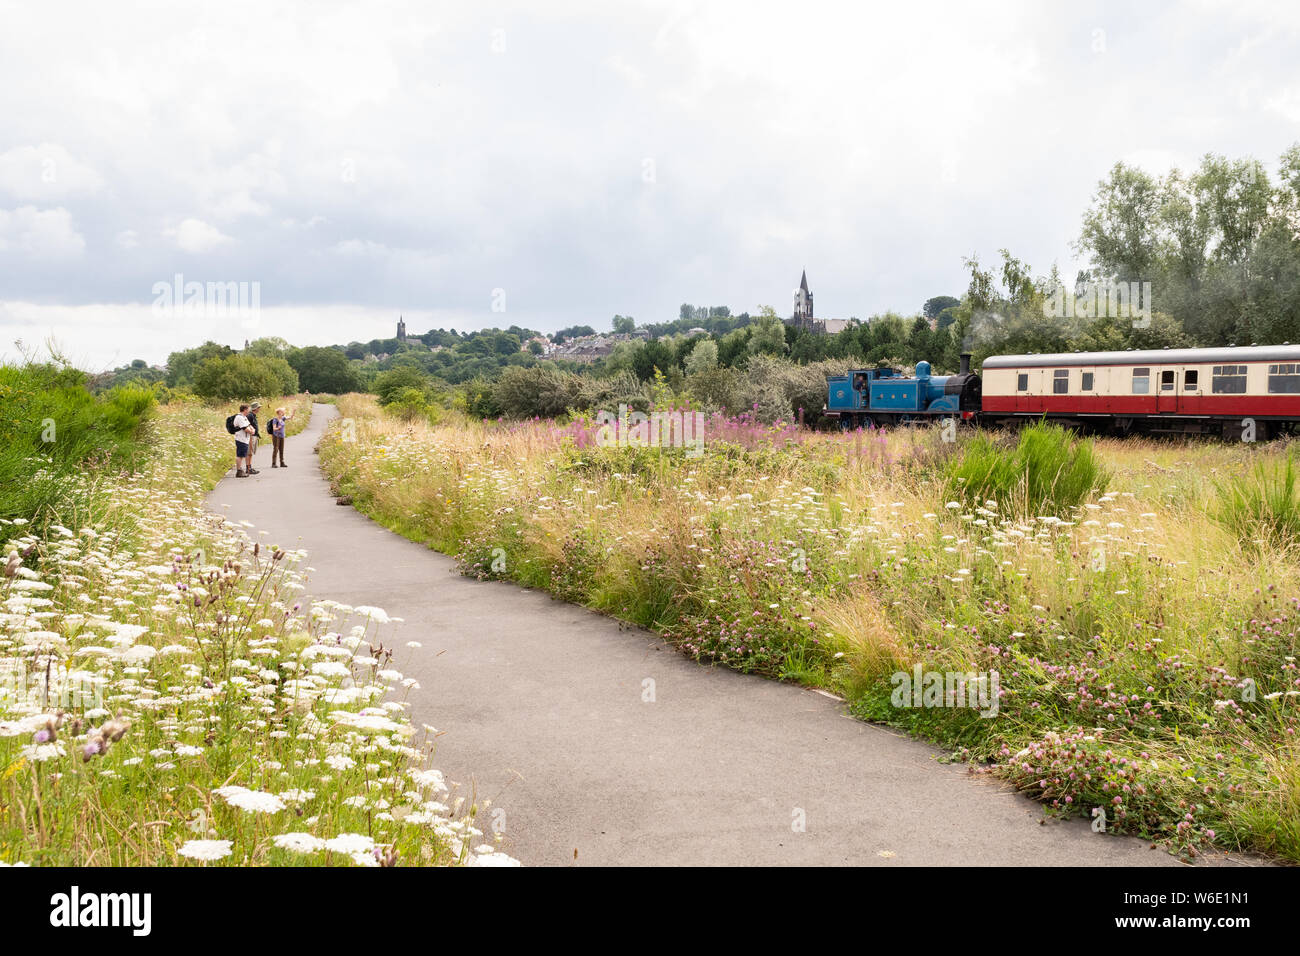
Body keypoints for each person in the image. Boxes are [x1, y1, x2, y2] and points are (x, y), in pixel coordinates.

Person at [232, 404, 258, 477]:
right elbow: (245, 428)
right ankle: (239, 471)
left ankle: (240, 470)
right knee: (240, 455)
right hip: (241, 439)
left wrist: (252, 429)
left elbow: (249, 425)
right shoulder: (239, 417)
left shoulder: (244, 417)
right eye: (248, 409)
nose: (249, 411)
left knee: (242, 455)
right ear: (245, 409)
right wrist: (252, 431)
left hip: (245, 439)